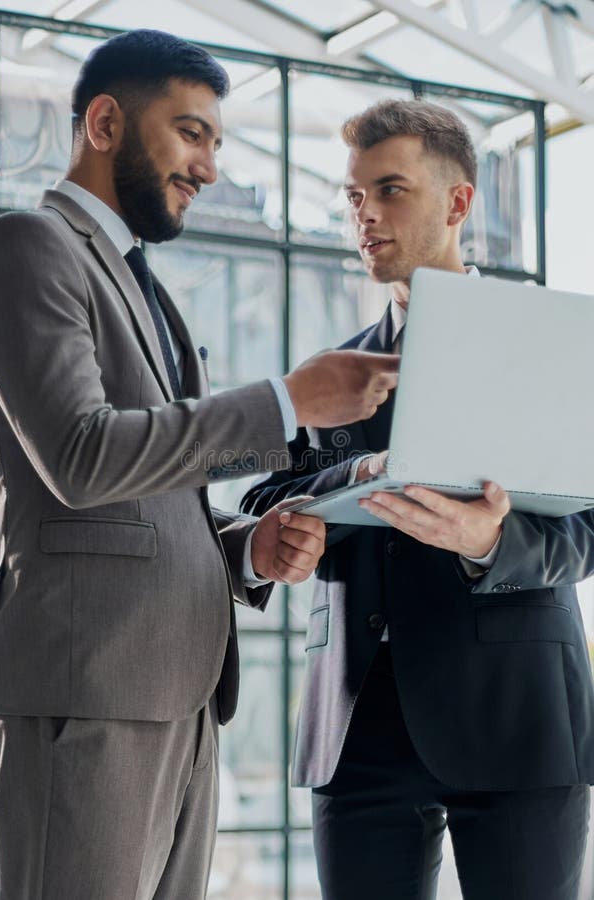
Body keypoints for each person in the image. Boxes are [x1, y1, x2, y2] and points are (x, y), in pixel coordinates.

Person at [0, 30, 399, 900]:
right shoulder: (30, 246)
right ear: (105, 123)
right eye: (190, 134)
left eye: (215, 142)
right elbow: (80, 456)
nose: (209, 168)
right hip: (89, 697)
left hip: (183, 702)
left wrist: (247, 547)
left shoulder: (146, 286)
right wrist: (287, 403)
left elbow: (147, 501)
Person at [241, 99, 594, 900]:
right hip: (355, 727)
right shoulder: (330, 373)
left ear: (458, 202)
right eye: (354, 196)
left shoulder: (550, 349)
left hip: (518, 717)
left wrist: (488, 543)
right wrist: (342, 482)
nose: (364, 214)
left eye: (389, 190)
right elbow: (263, 493)